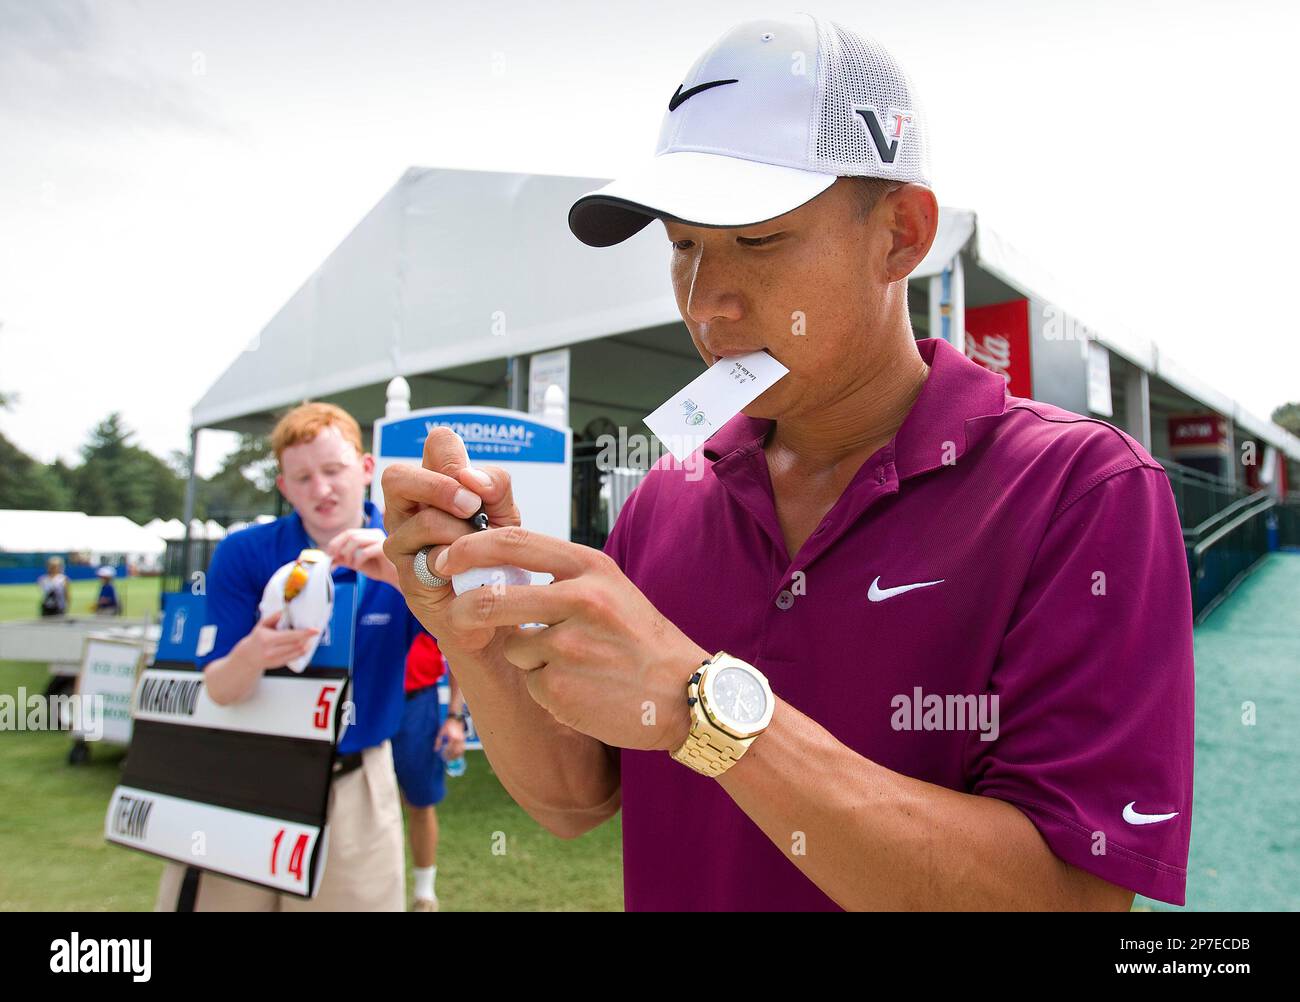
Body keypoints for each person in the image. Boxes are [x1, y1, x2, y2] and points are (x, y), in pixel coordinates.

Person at [380, 14, 1194, 911]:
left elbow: (1069, 901)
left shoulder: (1081, 490)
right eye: (683, 246)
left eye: (757, 240)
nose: (707, 306)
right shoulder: (666, 495)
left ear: (902, 234)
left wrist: (706, 709)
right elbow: (578, 800)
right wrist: (471, 625)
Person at [154, 401, 430, 911]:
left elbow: (466, 641)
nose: (321, 490)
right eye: (302, 477)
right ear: (283, 486)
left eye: (333, 470)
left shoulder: (405, 552)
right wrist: (254, 653)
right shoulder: (245, 551)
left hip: (352, 779)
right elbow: (220, 687)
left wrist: (398, 572)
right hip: (246, 772)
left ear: (366, 469)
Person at [394, 632, 466, 912]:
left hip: (416, 702)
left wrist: (455, 717)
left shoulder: (421, 590)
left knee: (420, 801)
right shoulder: (351, 589)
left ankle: (424, 894)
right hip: (359, 704)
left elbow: (457, 643)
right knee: (356, 801)